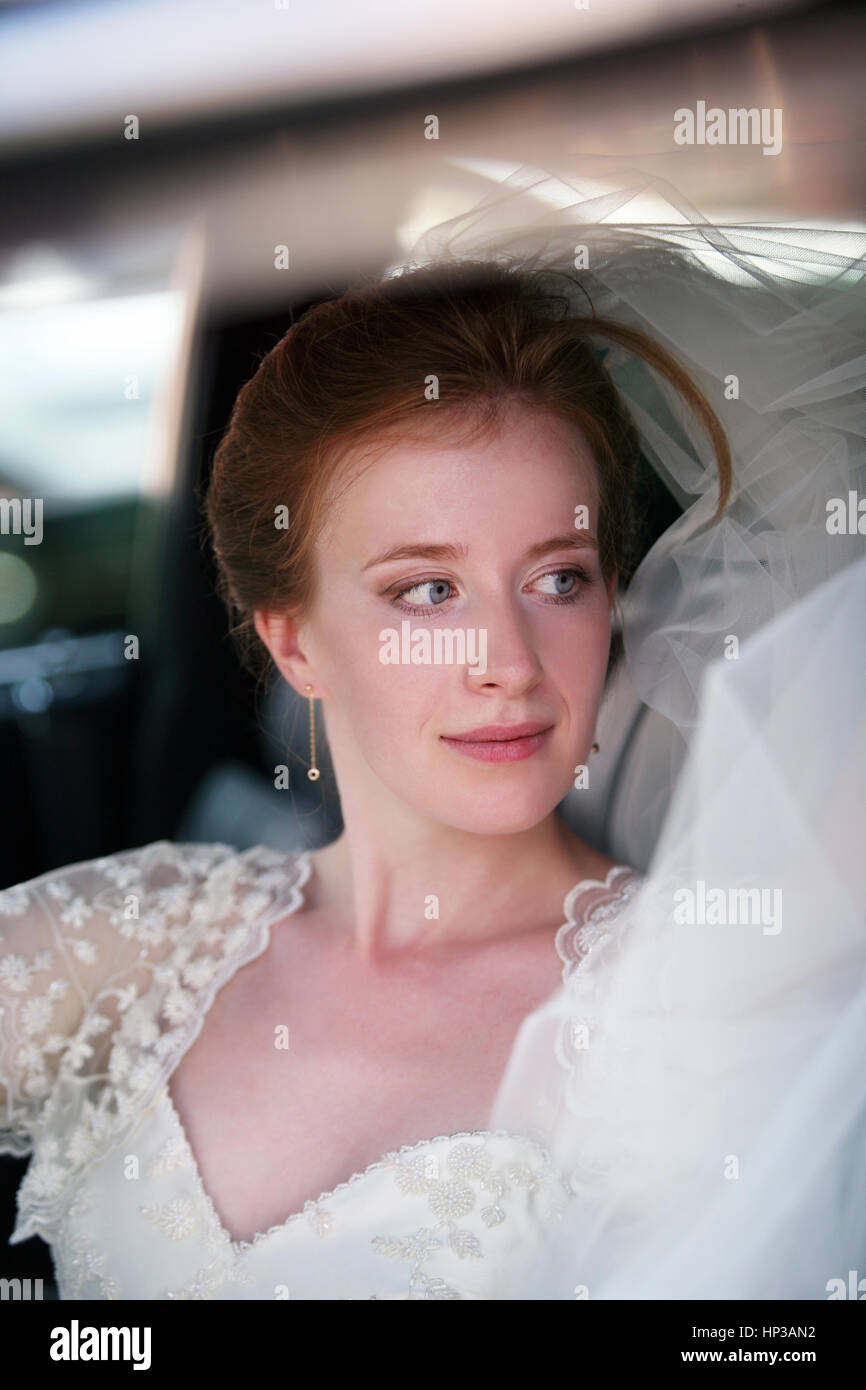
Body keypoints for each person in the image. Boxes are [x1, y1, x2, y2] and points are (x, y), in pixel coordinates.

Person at [1, 166, 863, 1299]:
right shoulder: (130, 942)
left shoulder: (700, 1005)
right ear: (296, 641)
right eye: (425, 592)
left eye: (557, 577)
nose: (509, 660)